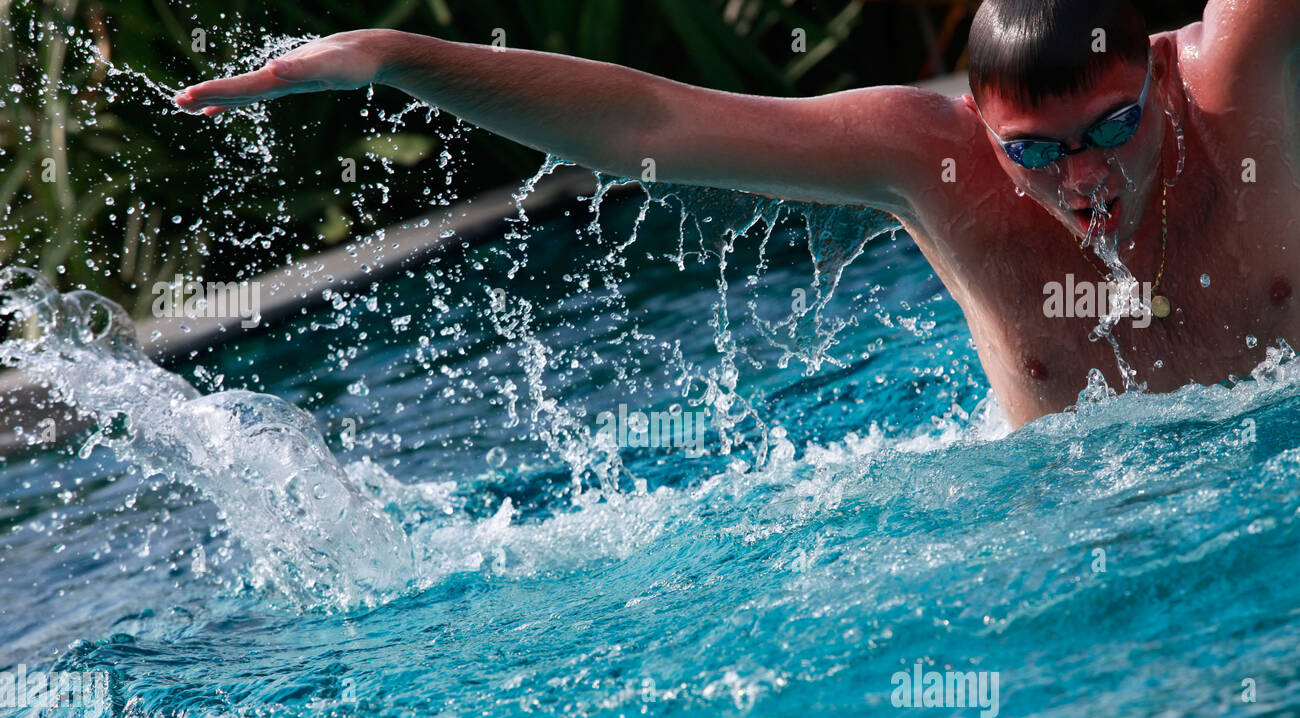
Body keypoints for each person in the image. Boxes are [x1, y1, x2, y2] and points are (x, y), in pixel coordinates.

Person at [175, 1, 1299, 427]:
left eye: (1113, 131)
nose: (1083, 180)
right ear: (982, 135)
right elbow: (651, 123)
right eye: (1036, 156)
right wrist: (395, 60)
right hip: (1065, 548)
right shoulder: (926, 156)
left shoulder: (1233, 81)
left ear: (1160, 70)